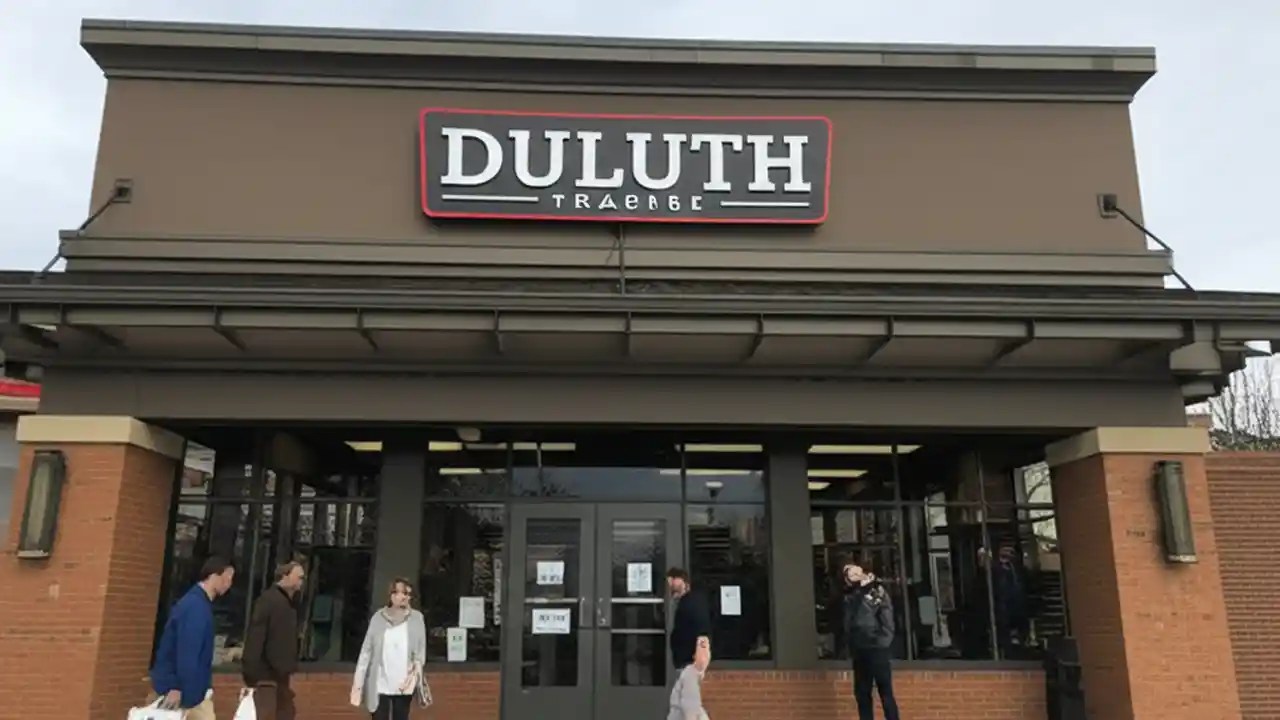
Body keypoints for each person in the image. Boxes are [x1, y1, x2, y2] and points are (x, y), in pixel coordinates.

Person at [149, 557, 236, 719]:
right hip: (182, 692)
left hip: (189, 690)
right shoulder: (196, 608)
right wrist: (177, 688)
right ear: (214, 576)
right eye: (228, 577)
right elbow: (188, 652)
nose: (229, 583)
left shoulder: (195, 603)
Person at [350, 577, 429, 720]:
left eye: (408, 594)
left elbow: (420, 653)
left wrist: (414, 676)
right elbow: (366, 652)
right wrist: (358, 683)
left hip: (405, 684)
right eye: (402, 593)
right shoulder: (378, 618)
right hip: (380, 682)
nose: (405, 597)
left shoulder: (417, 619)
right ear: (392, 595)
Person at [243, 560, 306, 720]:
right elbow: (256, 637)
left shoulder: (288, 604)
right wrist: (251, 674)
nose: (301, 580)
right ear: (284, 576)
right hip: (266, 676)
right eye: (298, 576)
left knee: (285, 713)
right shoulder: (269, 601)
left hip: (279, 676)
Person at [842, 561, 900, 720]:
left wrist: (882, 642)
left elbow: (887, 621)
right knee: (862, 693)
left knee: (885, 692)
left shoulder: (876, 592)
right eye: (848, 575)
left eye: (854, 572)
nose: (851, 577)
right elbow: (848, 622)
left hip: (877, 649)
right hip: (860, 649)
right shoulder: (851, 595)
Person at [666, 567, 712, 670]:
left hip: (690, 661)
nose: (671, 586)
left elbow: (702, 631)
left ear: (681, 580)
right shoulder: (686, 601)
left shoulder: (693, 602)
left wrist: (699, 657)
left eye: (672, 581)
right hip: (685, 660)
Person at [667, 635, 711, 720]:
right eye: (701, 647)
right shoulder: (690, 675)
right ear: (694, 655)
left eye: (707, 649)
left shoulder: (694, 675)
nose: (705, 654)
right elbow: (690, 708)